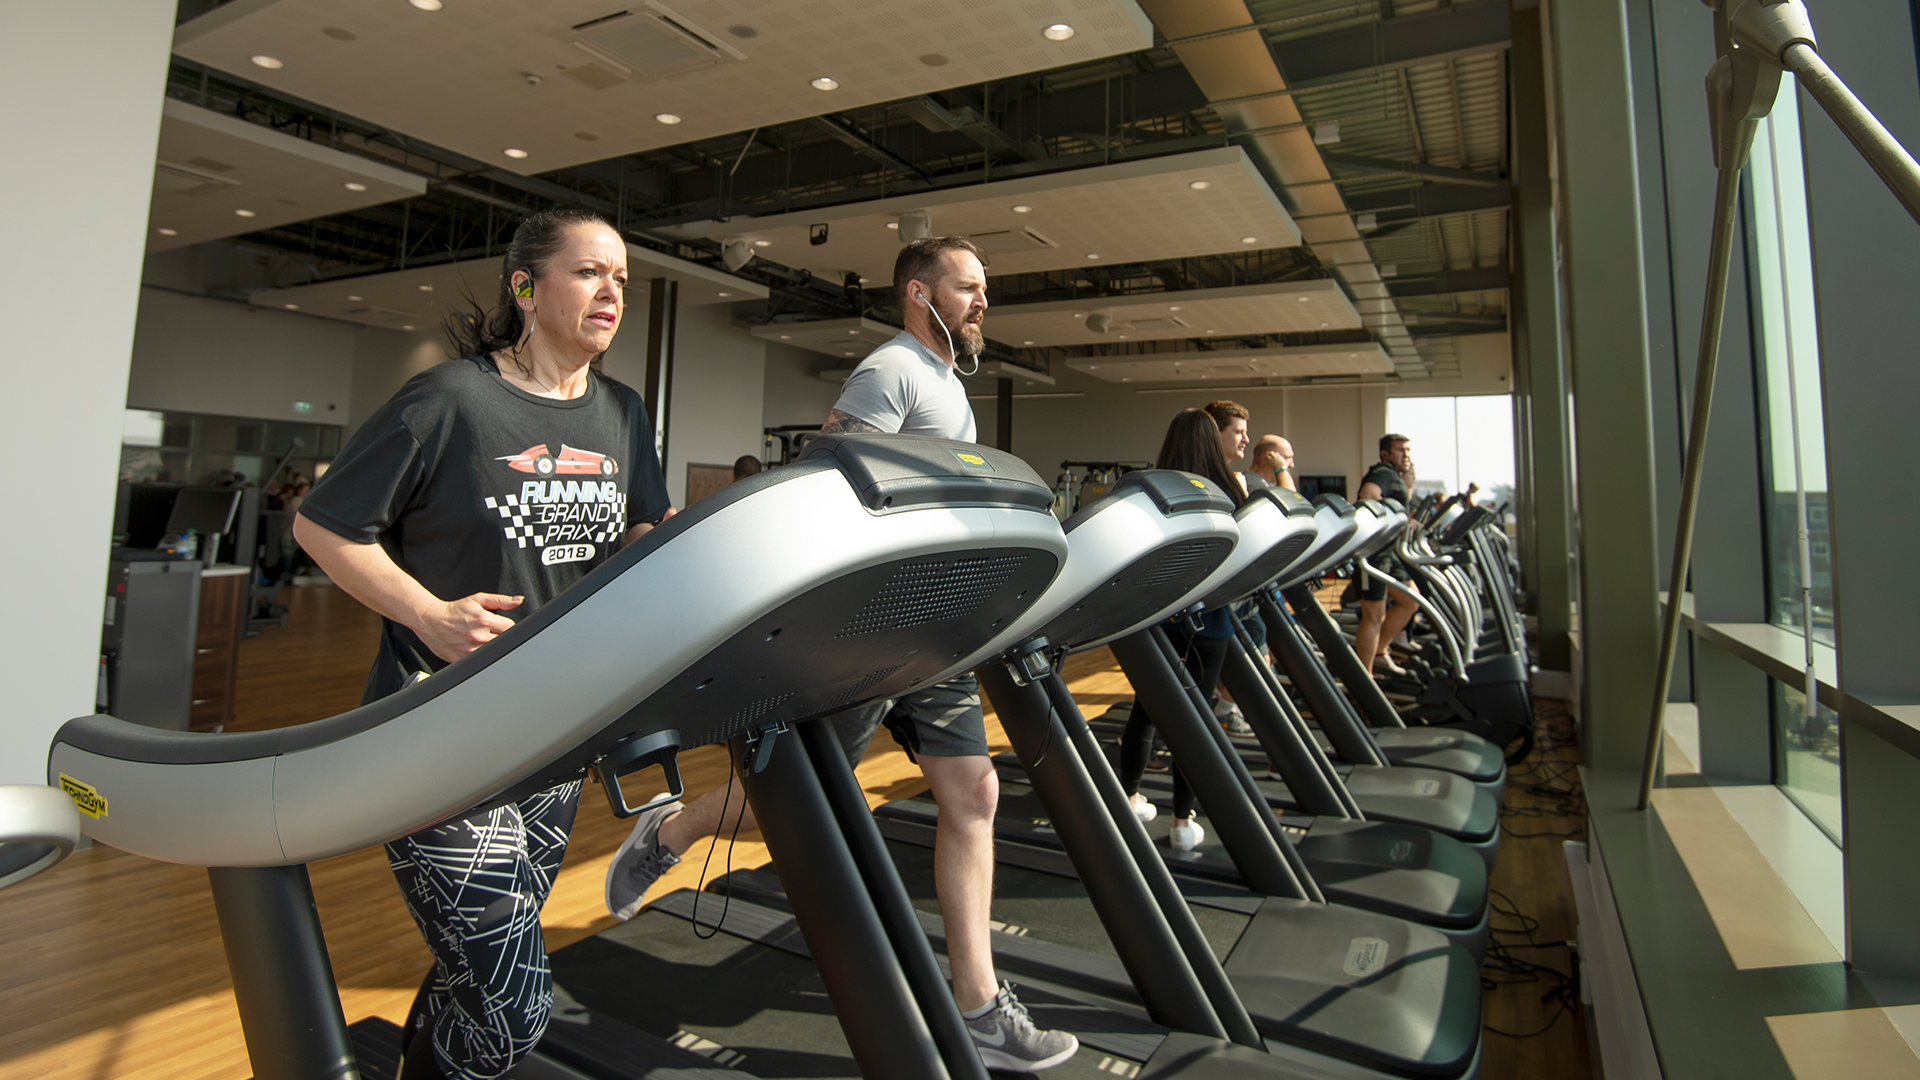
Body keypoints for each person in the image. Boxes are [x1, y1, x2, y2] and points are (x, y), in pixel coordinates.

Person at [603, 236, 1079, 1073]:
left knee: (975, 792)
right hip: (877, 629)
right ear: (918, 294)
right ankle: (671, 832)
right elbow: (833, 479)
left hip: (936, 628)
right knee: (797, 806)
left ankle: (978, 1005)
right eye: (968, 288)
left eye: (983, 290)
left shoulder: (945, 386)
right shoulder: (891, 371)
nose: (982, 302)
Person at [293, 209, 673, 1080]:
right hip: (434, 732)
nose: (611, 290)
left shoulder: (621, 410)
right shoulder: (450, 399)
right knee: (513, 1003)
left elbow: (640, 525)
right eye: (588, 272)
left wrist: (664, 545)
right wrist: (426, 612)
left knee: (475, 970)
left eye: (621, 276)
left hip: (552, 740)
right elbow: (323, 525)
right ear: (527, 288)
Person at [1117, 409, 1252, 849]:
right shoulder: (1231, 489)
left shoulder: (1153, 487)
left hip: (1159, 619)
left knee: (1147, 711)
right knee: (1195, 720)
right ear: (1214, 442)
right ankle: (1181, 822)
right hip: (1210, 620)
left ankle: (1130, 798)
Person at [1355, 433, 1422, 677]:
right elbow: (1368, 494)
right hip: (1372, 555)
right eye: (1400, 450)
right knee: (1374, 616)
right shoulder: (1382, 471)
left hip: (1388, 555)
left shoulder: (1395, 477)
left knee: (1410, 599)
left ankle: (1380, 652)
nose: (1406, 455)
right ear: (1386, 454)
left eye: (1408, 450)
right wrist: (1393, 521)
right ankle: (1366, 675)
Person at [1201, 399, 1251, 496]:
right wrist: (1239, 492)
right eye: (1238, 432)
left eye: (1245, 433)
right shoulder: (1205, 479)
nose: (1246, 439)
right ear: (1215, 432)